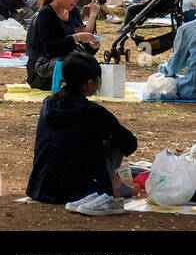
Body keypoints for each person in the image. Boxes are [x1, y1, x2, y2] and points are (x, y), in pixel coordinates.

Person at [26, 51, 136, 214]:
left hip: (42, 188)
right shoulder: (93, 112)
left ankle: (111, 181)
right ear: (90, 84)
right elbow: (129, 143)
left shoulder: (48, 103)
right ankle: (109, 185)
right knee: (112, 140)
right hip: (79, 192)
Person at [25, 0, 100, 90]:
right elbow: (51, 48)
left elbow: (78, 45)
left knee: (89, 63)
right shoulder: (46, 14)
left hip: (65, 60)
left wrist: (92, 46)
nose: (76, 0)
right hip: (42, 67)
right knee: (71, 62)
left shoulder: (73, 11)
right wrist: (76, 38)